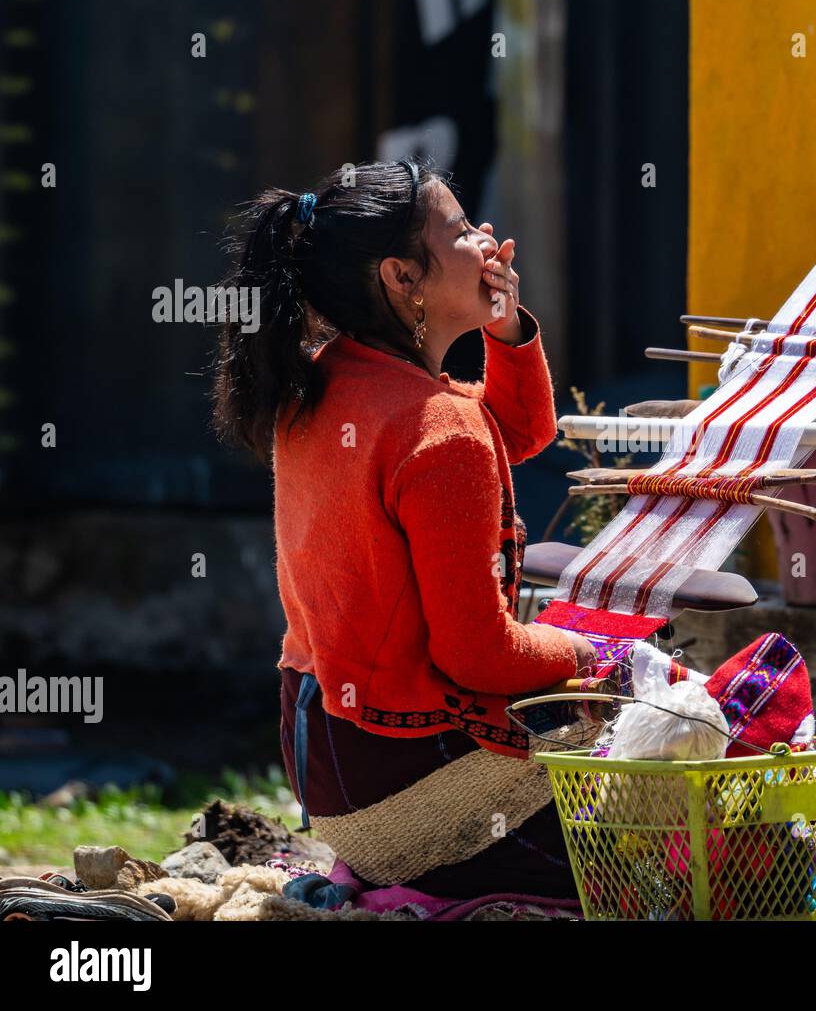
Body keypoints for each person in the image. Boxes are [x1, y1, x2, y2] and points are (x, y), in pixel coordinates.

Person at [212, 157, 594, 899]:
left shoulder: (326, 380)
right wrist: (593, 651)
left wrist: (507, 328)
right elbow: (479, 652)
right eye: (459, 230)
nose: (487, 240)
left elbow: (516, 430)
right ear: (401, 276)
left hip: (331, 760)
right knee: (657, 842)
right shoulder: (436, 426)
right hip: (408, 778)